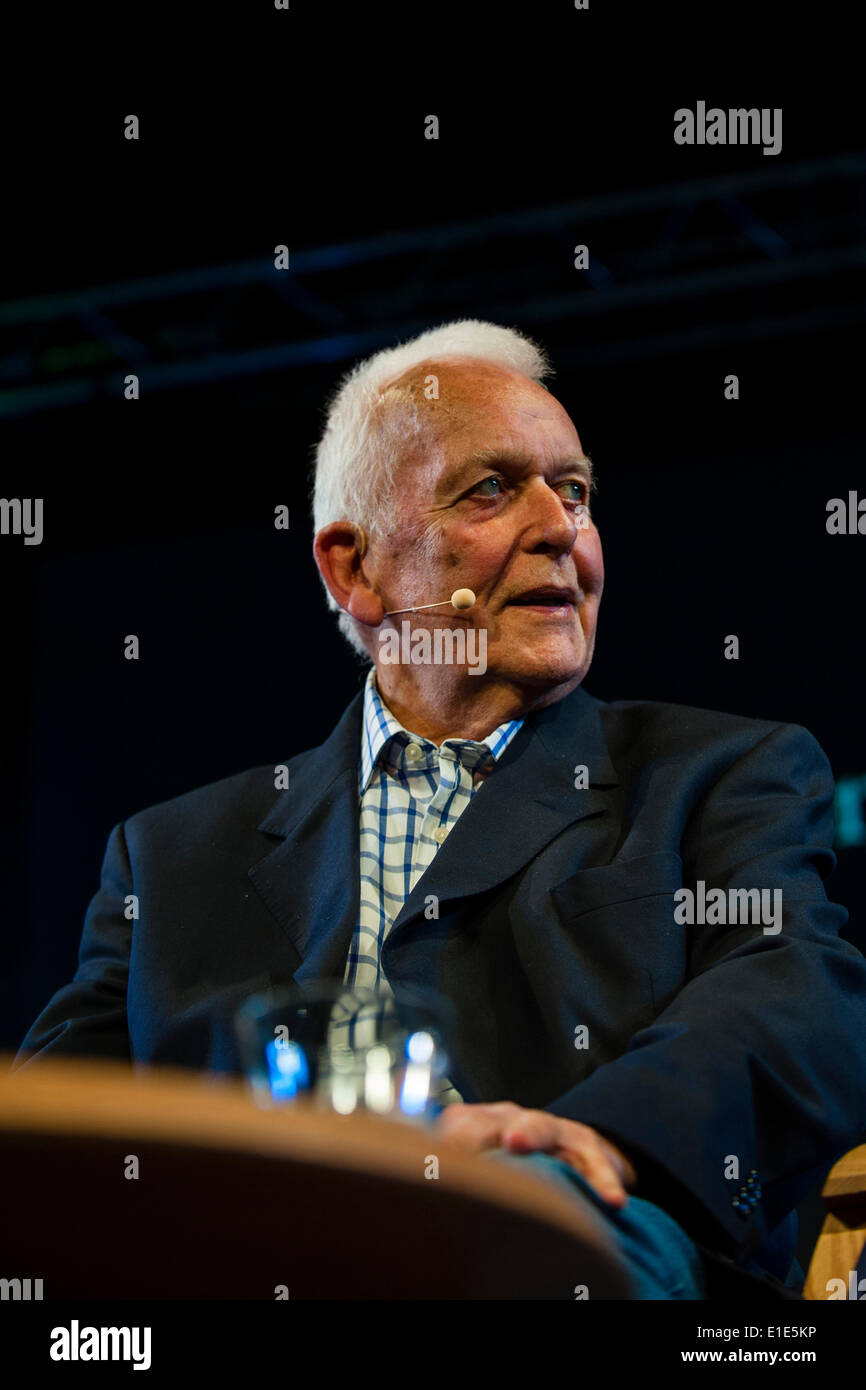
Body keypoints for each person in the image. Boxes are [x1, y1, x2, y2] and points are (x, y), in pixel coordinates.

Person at [14, 320, 866, 1300]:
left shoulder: (715, 775)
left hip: (566, 1240)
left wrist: (579, 1143)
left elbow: (797, 998)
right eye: (493, 490)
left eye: (576, 491)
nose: (562, 529)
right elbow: (51, 1137)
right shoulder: (169, 858)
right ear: (354, 569)